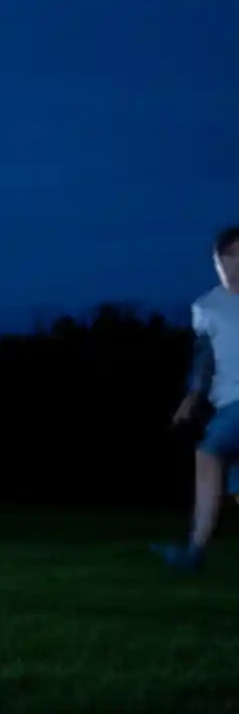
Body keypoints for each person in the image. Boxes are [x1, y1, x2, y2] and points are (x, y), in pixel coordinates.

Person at [153, 225, 239, 571]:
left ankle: (195, 550)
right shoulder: (207, 306)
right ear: (219, 261)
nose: (233, 264)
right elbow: (204, 360)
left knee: (209, 454)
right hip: (228, 404)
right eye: (229, 257)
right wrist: (192, 397)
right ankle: (195, 549)